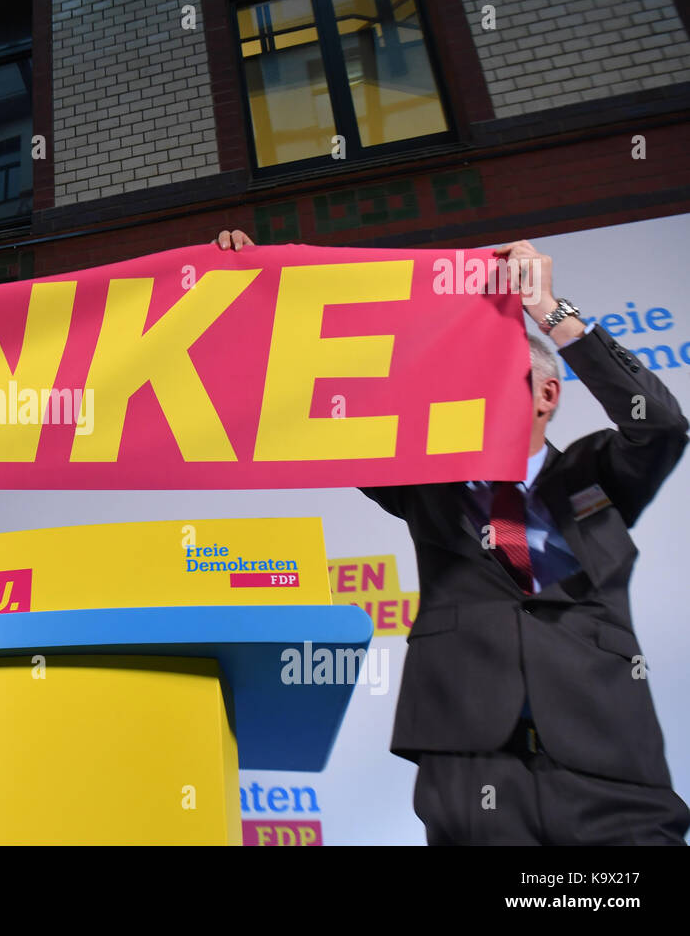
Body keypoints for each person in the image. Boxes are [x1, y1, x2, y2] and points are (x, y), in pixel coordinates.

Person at [215, 229, 689, 844]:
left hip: (610, 766)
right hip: (470, 767)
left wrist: (549, 308)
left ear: (546, 394)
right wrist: (255, 297)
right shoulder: (424, 482)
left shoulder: (596, 474)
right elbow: (315, 412)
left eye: (494, 376)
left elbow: (660, 423)